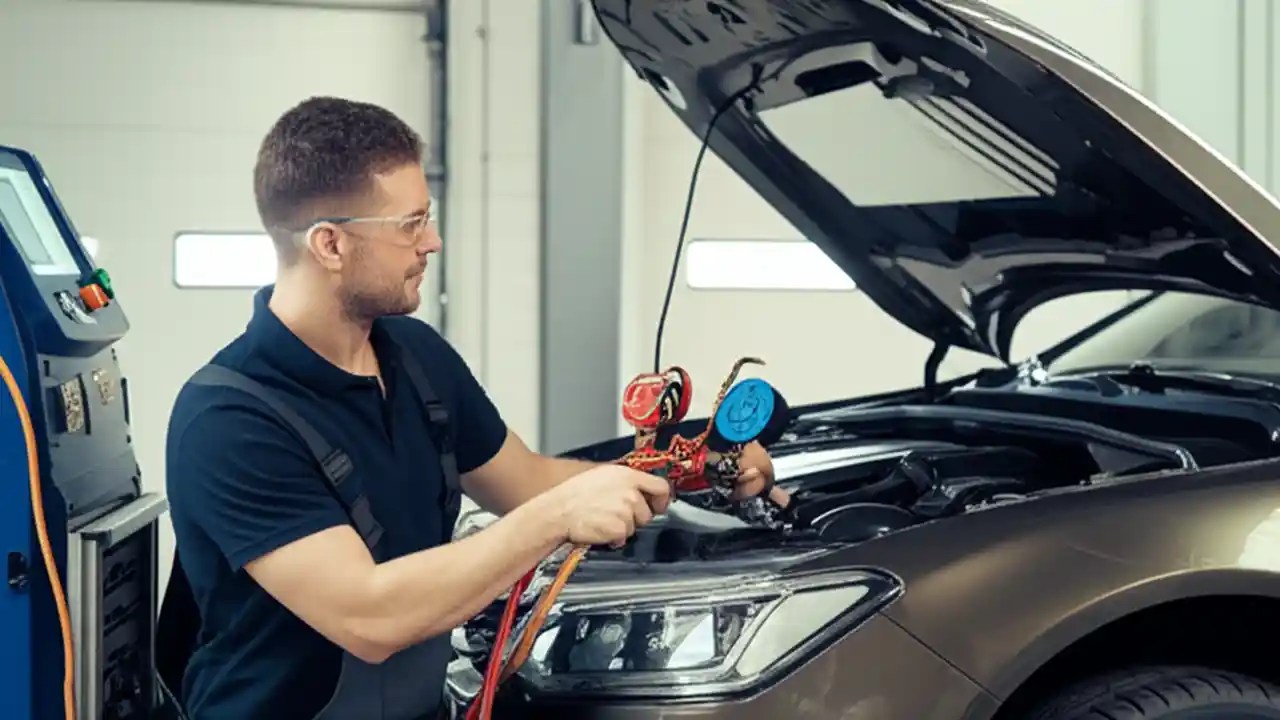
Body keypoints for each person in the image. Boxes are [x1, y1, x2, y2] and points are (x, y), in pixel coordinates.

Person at [162, 96, 782, 720]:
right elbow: (370, 615)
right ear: (330, 244)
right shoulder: (229, 420)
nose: (431, 242)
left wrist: (700, 465)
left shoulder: (413, 354)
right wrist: (557, 516)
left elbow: (528, 481)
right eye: (410, 224)